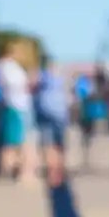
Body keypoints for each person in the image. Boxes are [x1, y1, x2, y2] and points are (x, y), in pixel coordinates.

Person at [0, 41, 37, 183]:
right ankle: (10, 169)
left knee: (21, 140)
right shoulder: (6, 66)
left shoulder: (14, 66)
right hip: (15, 106)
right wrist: (29, 82)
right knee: (13, 141)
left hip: (22, 106)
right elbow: (14, 84)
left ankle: (17, 168)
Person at [33, 54, 71, 186]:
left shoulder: (42, 77)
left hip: (46, 113)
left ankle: (53, 173)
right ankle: (58, 171)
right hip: (59, 114)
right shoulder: (61, 77)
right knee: (58, 145)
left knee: (49, 145)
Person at [77, 66, 109, 171]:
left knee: (90, 138)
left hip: (92, 114)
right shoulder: (85, 83)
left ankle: (89, 160)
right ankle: (86, 160)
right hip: (86, 114)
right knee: (86, 138)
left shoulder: (97, 85)